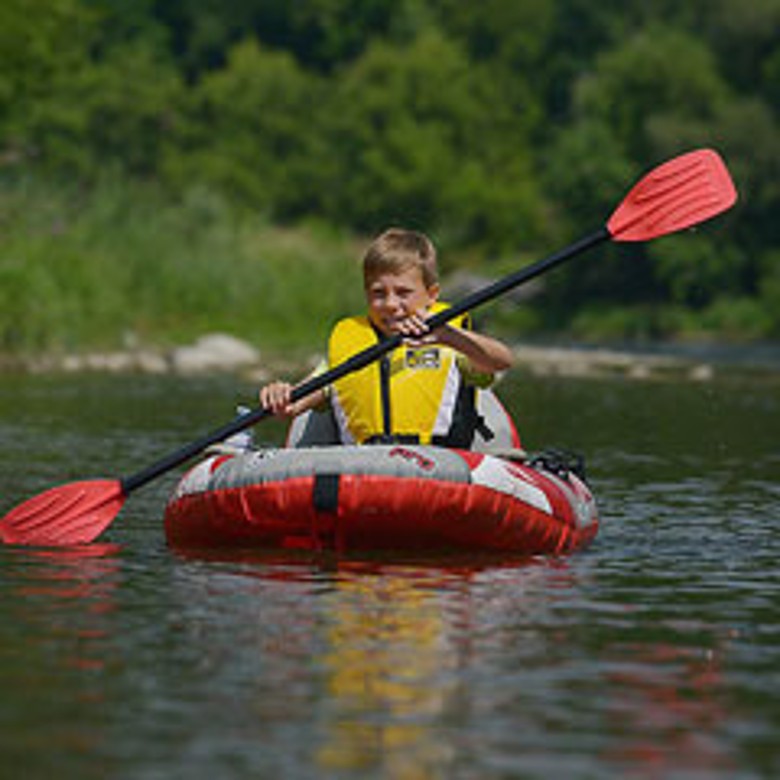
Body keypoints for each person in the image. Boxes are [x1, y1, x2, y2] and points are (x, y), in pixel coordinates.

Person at [259, 227, 514, 447]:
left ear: (432, 294)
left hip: (436, 467)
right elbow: (298, 401)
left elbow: (501, 361)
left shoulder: (451, 341)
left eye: (403, 292)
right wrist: (282, 396)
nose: (391, 304)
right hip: (363, 471)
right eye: (378, 293)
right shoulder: (350, 344)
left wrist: (448, 337)